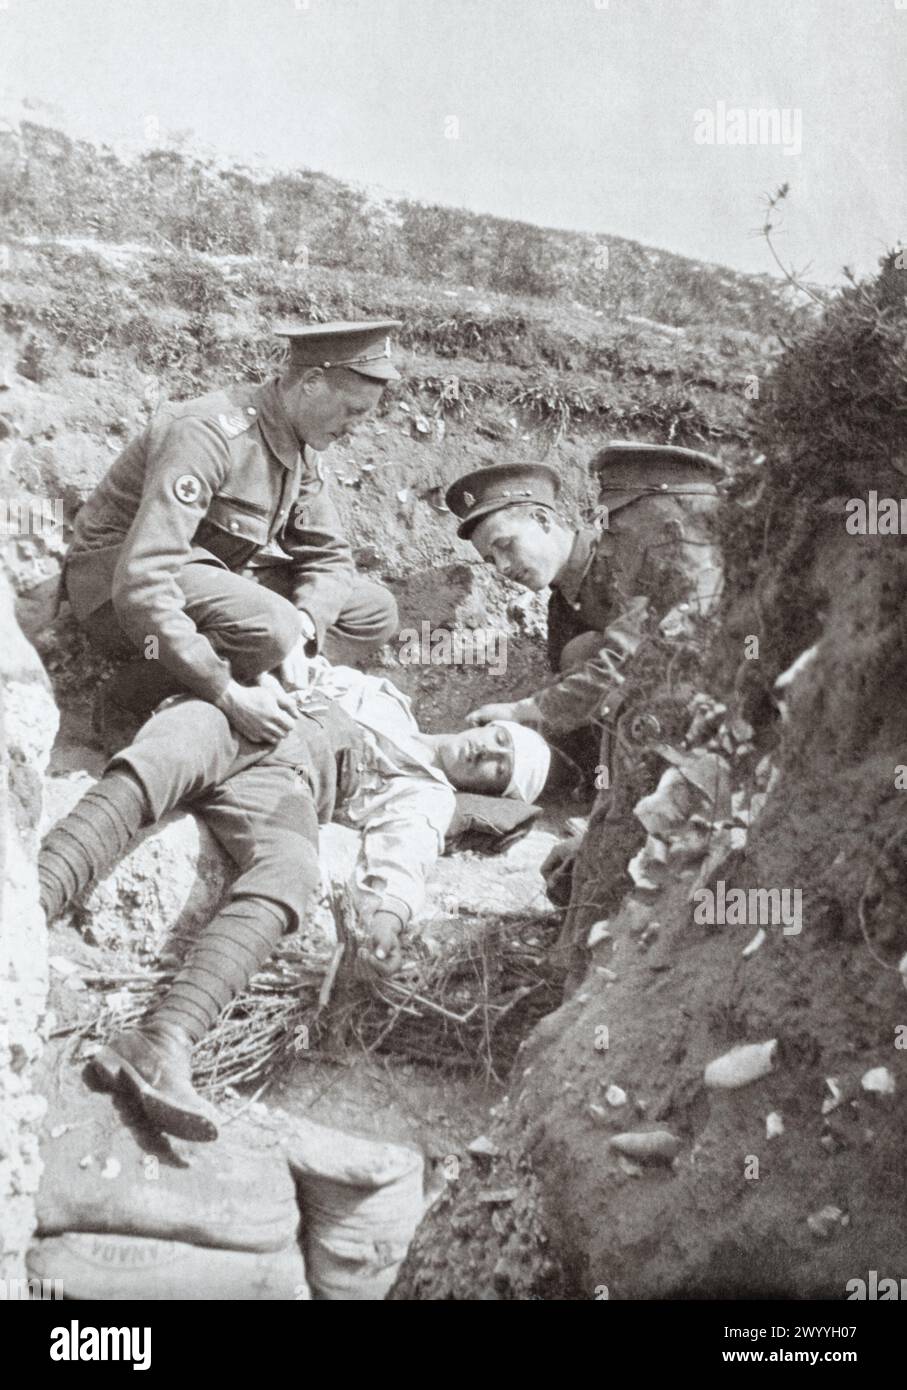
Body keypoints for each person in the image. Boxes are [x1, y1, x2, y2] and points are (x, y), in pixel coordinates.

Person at [38, 663, 552, 1143]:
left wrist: (387, 922)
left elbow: (404, 859)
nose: (486, 753)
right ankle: (32, 901)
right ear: (485, 721)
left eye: (497, 770)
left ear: (491, 792)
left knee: (292, 872)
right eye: (499, 740)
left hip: (285, 783)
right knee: (160, 762)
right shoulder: (383, 696)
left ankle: (161, 1042)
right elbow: (284, 657)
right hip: (228, 719)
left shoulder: (427, 795)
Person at [63, 321, 403, 746]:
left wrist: (303, 628)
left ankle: (260, 665)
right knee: (269, 626)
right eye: (353, 410)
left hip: (208, 582)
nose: (356, 426)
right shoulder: (208, 434)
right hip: (116, 594)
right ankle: (132, 697)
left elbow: (330, 558)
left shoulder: (300, 445)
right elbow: (143, 582)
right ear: (312, 382)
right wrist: (227, 694)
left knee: (372, 610)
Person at [445, 444, 725, 740]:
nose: (502, 567)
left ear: (542, 520)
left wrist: (523, 710)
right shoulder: (562, 613)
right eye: (491, 560)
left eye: (505, 545)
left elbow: (628, 657)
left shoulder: (632, 562)